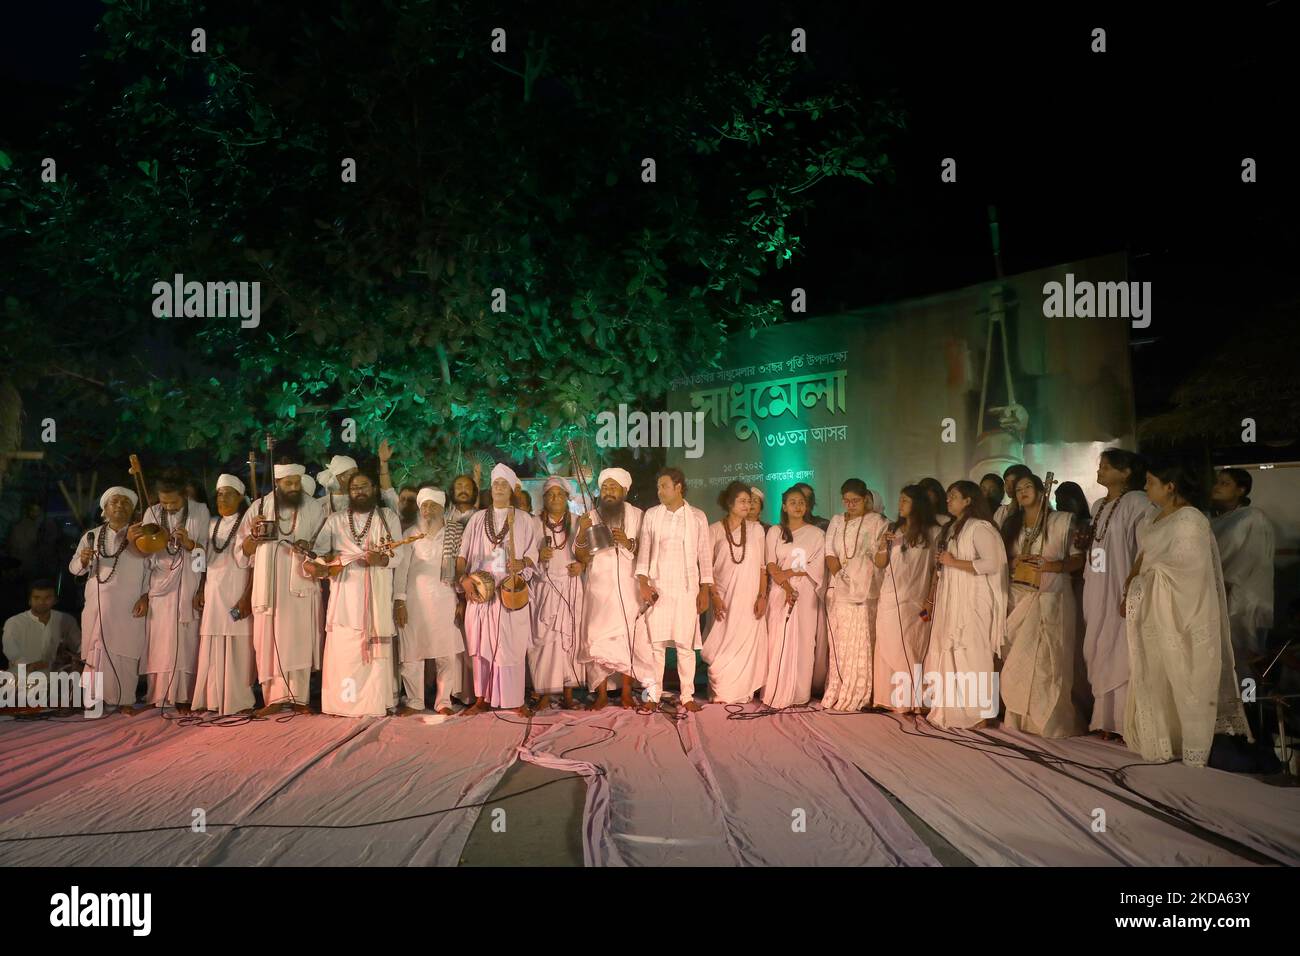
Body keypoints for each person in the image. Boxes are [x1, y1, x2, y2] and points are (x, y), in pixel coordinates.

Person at [1121, 457, 1251, 767]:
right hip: (1152, 610)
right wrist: (1131, 586)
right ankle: (1163, 739)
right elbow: (1145, 557)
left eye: (1151, 482)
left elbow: (1188, 572)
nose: (1145, 487)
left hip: (1182, 613)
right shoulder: (1154, 518)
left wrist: (1145, 582)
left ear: (1170, 486)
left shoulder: (1191, 520)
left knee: (1185, 672)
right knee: (1155, 671)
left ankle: (1193, 744)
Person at [312, 470, 407, 717]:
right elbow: (319, 552)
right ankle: (343, 703)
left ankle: (375, 702)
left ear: (374, 489)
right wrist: (327, 562)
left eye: (364, 486)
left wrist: (381, 559)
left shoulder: (387, 517)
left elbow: (399, 555)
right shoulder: (335, 519)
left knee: (374, 647)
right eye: (355, 488)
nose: (359, 492)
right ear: (350, 493)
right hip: (344, 592)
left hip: (376, 589)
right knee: (345, 645)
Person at [999, 473, 1087, 737]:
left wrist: (1054, 567)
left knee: (1046, 664)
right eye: (1018, 489)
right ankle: (1018, 720)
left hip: (1051, 598)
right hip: (1018, 596)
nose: (1023, 492)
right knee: (1017, 663)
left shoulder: (1061, 521)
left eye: (1028, 487)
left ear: (1041, 491)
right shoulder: (1012, 524)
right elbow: (1005, 558)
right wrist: (1013, 563)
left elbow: (1078, 559)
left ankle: (1049, 723)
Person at [239, 461, 325, 716]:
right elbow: (242, 551)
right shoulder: (260, 507)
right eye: (288, 483)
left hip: (299, 584)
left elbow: (325, 541)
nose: (294, 487)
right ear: (277, 483)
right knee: (268, 640)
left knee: (297, 640)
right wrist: (254, 537)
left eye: (297, 482)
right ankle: (273, 699)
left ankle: (299, 698)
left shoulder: (312, 506)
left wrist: (309, 546)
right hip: (268, 587)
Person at [923, 481, 1008, 729]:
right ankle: (955, 711)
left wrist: (953, 562)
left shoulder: (980, 528)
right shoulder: (952, 528)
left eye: (953, 496)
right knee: (952, 651)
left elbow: (991, 564)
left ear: (968, 500)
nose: (948, 500)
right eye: (948, 496)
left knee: (973, 653)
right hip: (953, 597)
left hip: (974, 600)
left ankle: (979, 714)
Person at [457, 463, 540, 716]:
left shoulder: (524, 520)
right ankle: (481, 699)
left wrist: (523, 562)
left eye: (504, 484)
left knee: (511, 646)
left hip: (509, 591)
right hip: (482, 594)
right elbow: (462, 555)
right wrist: (464, 579)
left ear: (512, 489)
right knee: (481, 645)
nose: (499, 488)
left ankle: (515, 701)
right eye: (495, 484)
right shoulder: (478, 518)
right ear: (490, 489)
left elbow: (533, 557)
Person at [1080, 448, 1152, 739]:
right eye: (1101, 466)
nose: (1101, 471)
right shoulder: (1097, 505)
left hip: (1121, 584)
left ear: (1126, 473)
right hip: (1096, 586)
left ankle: (1125, 722)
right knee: (1097, 646)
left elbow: (1145, 549)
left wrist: (1131, 587)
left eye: (1108, 467)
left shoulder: (1138, 502)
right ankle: (1104, 719)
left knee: (1122, 649)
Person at [635, 467, 713, 712]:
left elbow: (705, 555)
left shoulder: (698, 516)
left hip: (686, 588)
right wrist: (643, 583)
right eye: (658, 487)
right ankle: (653, 695)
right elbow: (644, 551)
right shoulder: (652, 515)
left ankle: (687, 696)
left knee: (684, 645)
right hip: (659, 587)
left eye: (664, 486)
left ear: (678, 487)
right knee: (655, 645)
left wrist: (705, 589)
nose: (659, 491)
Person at [69, 487, 151, 714]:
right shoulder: (91, 536)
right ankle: (94, 700)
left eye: (126, 502)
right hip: (98, 606)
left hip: (129, 605)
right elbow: (74, 569)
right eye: (115, 501)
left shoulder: (140, 536)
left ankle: (125, 701)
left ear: (133, 509)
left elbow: (150, 570)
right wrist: (83, 561)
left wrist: (146, 596)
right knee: (97, 653)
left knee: (126, 653)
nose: (120, 505)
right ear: (105, 508)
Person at [140, 468, 211, 712]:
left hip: (189, 582)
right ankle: (159, 695)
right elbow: (145, 555)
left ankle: (185, 695)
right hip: (159, 585)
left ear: (184, 496)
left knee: (186, 639)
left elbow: (204, 555)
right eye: (164, 502)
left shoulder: (200, 510)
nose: (168, 507)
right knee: (160, 640)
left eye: (173, 502)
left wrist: (190, 544)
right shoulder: (152, 512)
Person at [575, 467, 644, 709]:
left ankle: (626, 693)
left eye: (613, 487)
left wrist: (627, 542)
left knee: (626, 639)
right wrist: (583, 529)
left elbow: (645, 550)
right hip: (598, 588)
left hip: (628, 586)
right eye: (605, 487)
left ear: (625, 490)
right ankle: (602, 695)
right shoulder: (591, 516)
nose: (608, 492)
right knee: (597, 639)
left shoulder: (637, 515)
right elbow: (581, 554)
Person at [394, 488, 464, 715]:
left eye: (432, 505)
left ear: (442, 508)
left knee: (446, 653)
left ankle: (443, 701)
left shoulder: (455, 534)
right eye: (424, 505)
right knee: (412, 653)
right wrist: (399, 601)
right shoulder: (412, 534)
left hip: (446, 600)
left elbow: (464, 568)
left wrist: (462, 600)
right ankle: (414, 701)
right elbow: (401, 570)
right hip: (414, 602)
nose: (427, 510)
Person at [191, 474, 256, 715]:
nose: (223, 498)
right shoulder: (211, 525)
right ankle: (212, 698)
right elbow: (203, 563)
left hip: (237, 588)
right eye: (219, 493)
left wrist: (247, 596)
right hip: (213, 591)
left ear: (240, 497)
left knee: (237, 643)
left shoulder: (247, 525)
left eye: (229, 493)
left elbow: (253, 564)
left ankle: (237, 700)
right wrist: (200, 588)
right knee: (213, 641)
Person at [822, 479, 888, 712]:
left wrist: (882, 547)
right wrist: (841, 575)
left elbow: (881, 561)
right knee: (840, 642)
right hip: (840, 588)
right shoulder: (837, 521)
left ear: (866, 499)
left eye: (855, 501)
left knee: (860, 642)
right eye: (846, 500)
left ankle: (860, 692)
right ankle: (838, 690)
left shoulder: (877, 522)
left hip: (865, 590)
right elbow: (829, 552)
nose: (850, 505)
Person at [871, 485, 939, 711]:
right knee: (887, 643)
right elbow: (880, 563)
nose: (900, 504)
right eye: (899, 500)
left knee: (909, 646)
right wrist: (883, 546)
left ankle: (913, 699)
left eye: (905, 500)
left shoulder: (932, 532)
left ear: (917, 504)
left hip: (914, 599)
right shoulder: (893, 529)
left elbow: (935, 571)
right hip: (890, 596)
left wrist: (930, 599)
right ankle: (888, 698)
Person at [702, 482, 768, 704]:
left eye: (749, 501)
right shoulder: (714, 530)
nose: (747, 505)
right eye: (742, 501)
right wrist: (715, 597)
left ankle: (741, 691)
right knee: (720, 646)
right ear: (729, 503)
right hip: (723, 599)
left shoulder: (756, 529)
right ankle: (722, 691)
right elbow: (706, 568)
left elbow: (762, 567)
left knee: (746, 645)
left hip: (749, 600)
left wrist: (762, 596)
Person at [761, 486, 825, 709]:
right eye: (793, 502)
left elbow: (817, 566)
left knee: (804, 640)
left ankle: (799, 692)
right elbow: (770, 563)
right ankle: (776, 689)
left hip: (806, 592)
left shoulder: (817, 534)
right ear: (784, 506)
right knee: (777, 639)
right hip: (780, 591)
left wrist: (793, 574)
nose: (798, 506)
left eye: (802, 502)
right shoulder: (775, 532)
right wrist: (786, 584)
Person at [1210, 468, 1275, 679]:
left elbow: (1253, 557)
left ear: (1241, 490)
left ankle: (1249, 707)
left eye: (1225, 483)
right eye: (1217, 482)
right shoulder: (1212, 521)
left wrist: (1227, 582)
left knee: (1243, 658)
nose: (1217, 487)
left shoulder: (1253, 517)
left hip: (1244, 596)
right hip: (1215, 593)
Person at [530, 477, 585, 710]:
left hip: (571, 586)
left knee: (568, 641)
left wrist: (581, 565)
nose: (555, 498)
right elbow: (524, 554)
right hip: (544, 587)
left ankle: (568, 693)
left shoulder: (578, 522)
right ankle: (543, 692)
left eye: (559, 494)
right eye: (550, 495)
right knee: (544, 642)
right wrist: (537, 556)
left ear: (566, 497)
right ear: (544, 499)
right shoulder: (533, 523)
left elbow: (586, 554)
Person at [2, 580, 81, 703]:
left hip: (56, 680)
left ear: (55, 600)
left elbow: (79, 645)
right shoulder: (14, 623)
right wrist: (30, 665)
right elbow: (11, 650)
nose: (42, 602)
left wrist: (76, 660)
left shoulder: (66, 620)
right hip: (20, 680)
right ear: (29, 600)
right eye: (36, 597)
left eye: (48, 597)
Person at [4, 502, 60, 582]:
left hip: (22, 568)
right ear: (29, 511)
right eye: (34, 510)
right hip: (26, 568)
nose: (36, 513)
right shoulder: (28, 527)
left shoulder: (33, 526)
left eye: (38, 511)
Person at [993, 464, 1033, 528]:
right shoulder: (1001, 511)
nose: (1009, 487)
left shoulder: (1032, 512)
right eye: (1006, 482)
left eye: (1013, 482)